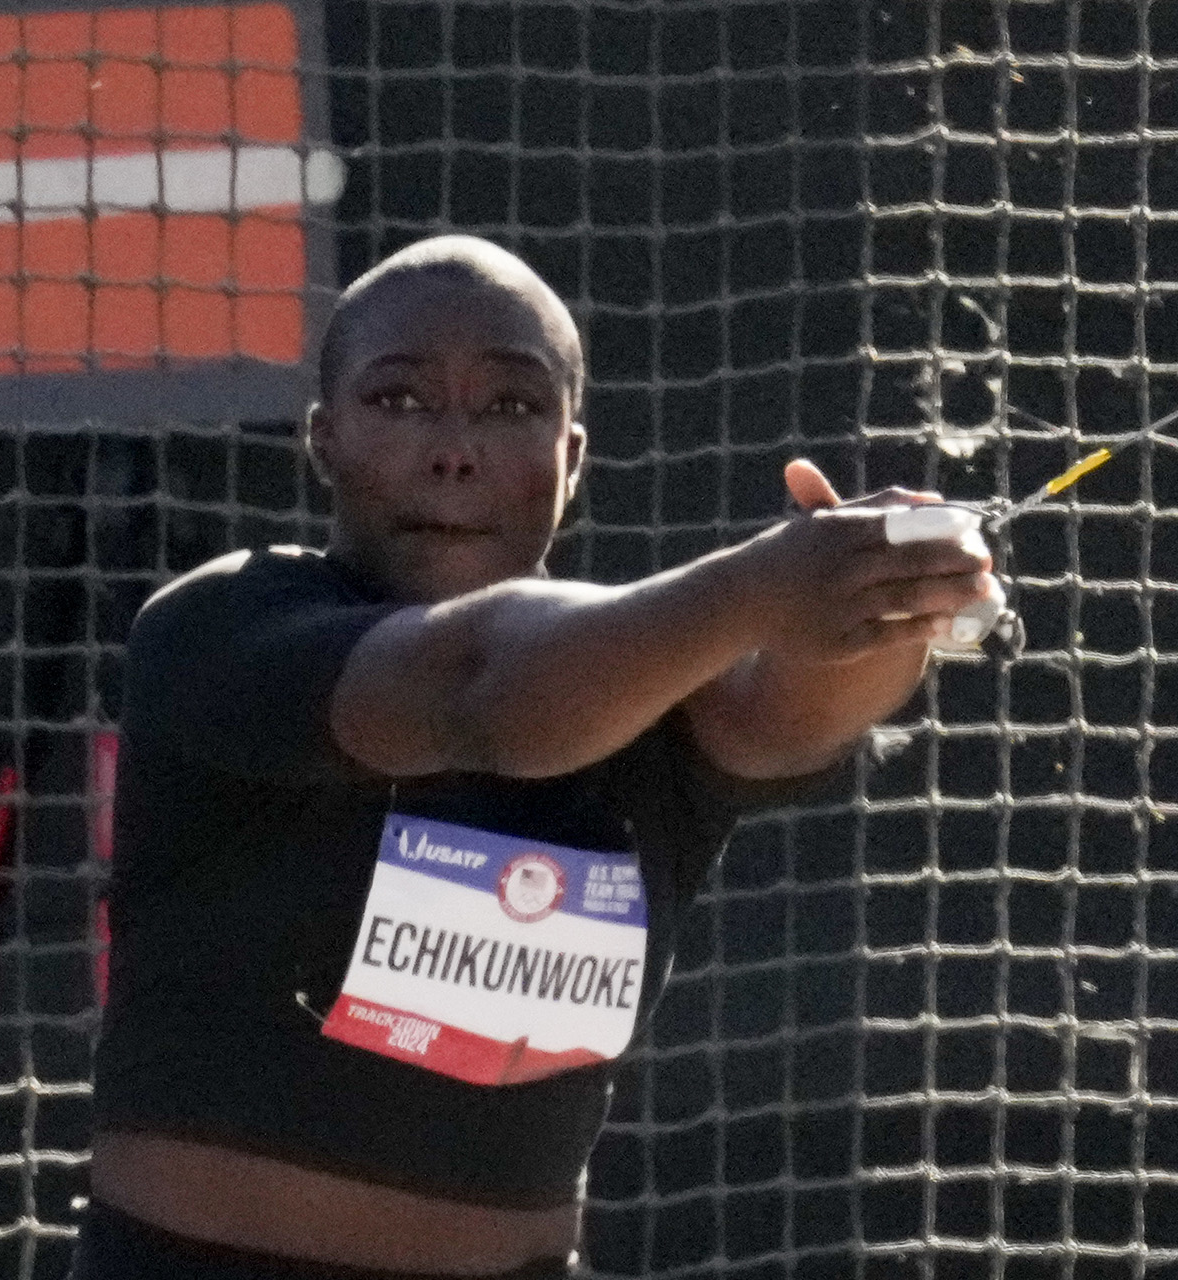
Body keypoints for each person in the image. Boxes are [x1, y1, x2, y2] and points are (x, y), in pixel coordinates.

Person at [75, 235, 996, 1279]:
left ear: (573, 456)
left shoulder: (644, 677)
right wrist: (762, 587)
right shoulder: (222, 625)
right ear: (324, 441)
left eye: (512, 406)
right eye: (401, 400)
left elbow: (790, 713)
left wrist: (881, 599)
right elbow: (482, 687)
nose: (454, 448)